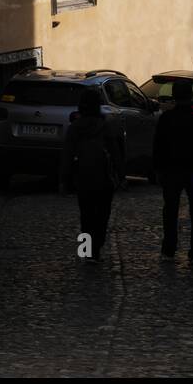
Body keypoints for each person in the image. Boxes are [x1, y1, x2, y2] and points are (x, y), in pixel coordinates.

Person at [153, 80, 193, 265]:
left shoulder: (166, 119)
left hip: (171, 171)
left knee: (170, 211)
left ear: (174, 95)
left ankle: (169, 249)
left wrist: (158, 169)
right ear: (190, 96)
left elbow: (158, 146)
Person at [60, 87, 126, 263]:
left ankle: (86, 252)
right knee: (102, 216)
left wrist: (64, 180)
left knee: (86, 215)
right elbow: (115, 152)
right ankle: (96, 248)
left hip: (83, 178)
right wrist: (121, 174)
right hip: (104, 178)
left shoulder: (75, 128)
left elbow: (67, 155)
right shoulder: (104, 126)